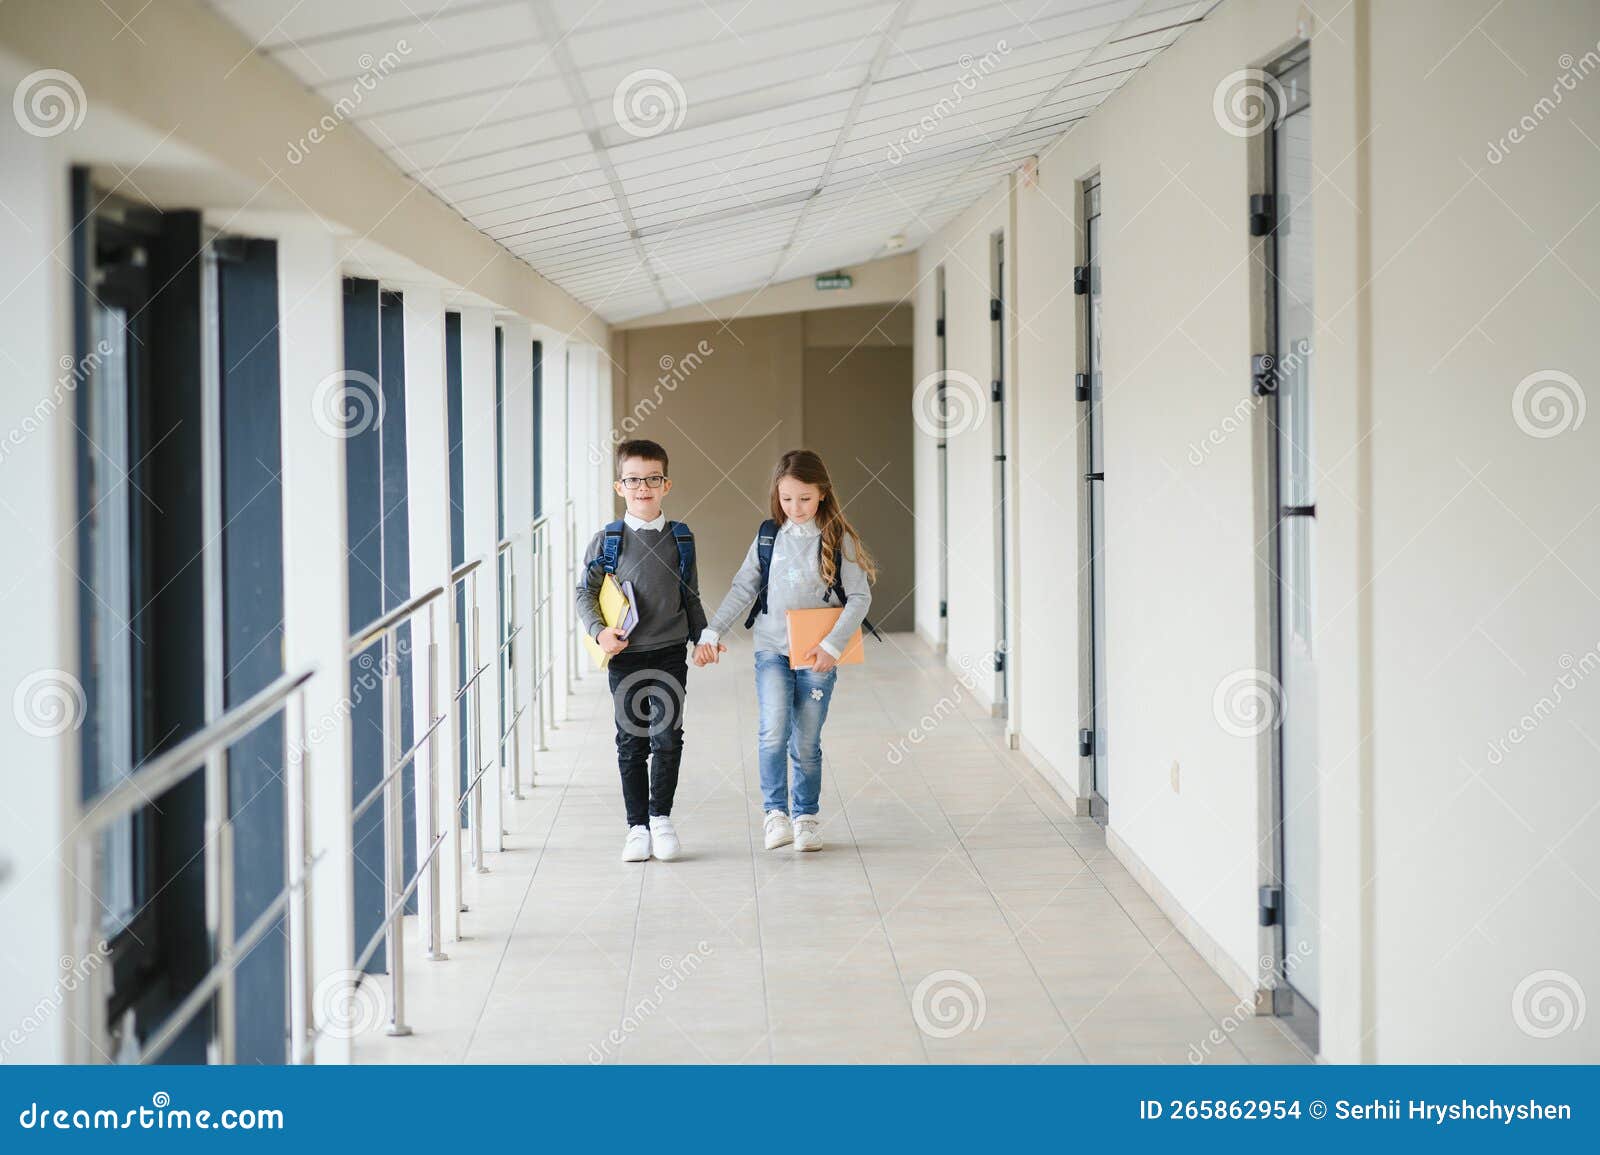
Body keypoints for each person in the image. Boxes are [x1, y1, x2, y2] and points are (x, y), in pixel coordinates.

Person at [694, 449, 875, 853]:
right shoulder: (769, 536)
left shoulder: (839, 539)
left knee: (806, 741)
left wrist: (832, 646)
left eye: (805, 498)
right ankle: (775, 814)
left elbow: (859, 598)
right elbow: (744, 587)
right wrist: (712, 630)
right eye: (787, 498)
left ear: (823, 493)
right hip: (772, 651)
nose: (795, 507)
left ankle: (806, 817)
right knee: (773, 731)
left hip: (817, 658)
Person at [576, 439, 705, 862]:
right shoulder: (607, 541)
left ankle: (660, 818)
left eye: (652, 479)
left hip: (669, 652)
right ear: (620, 487)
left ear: (666, 484)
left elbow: (690, 595)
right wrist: (599, 633)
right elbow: (585, 593)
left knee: (667, 737)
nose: (643, 488)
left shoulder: (680, 538)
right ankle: (637, 827)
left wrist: (703, 638)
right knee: (632, 741)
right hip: (627, 656)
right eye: (633, 480)